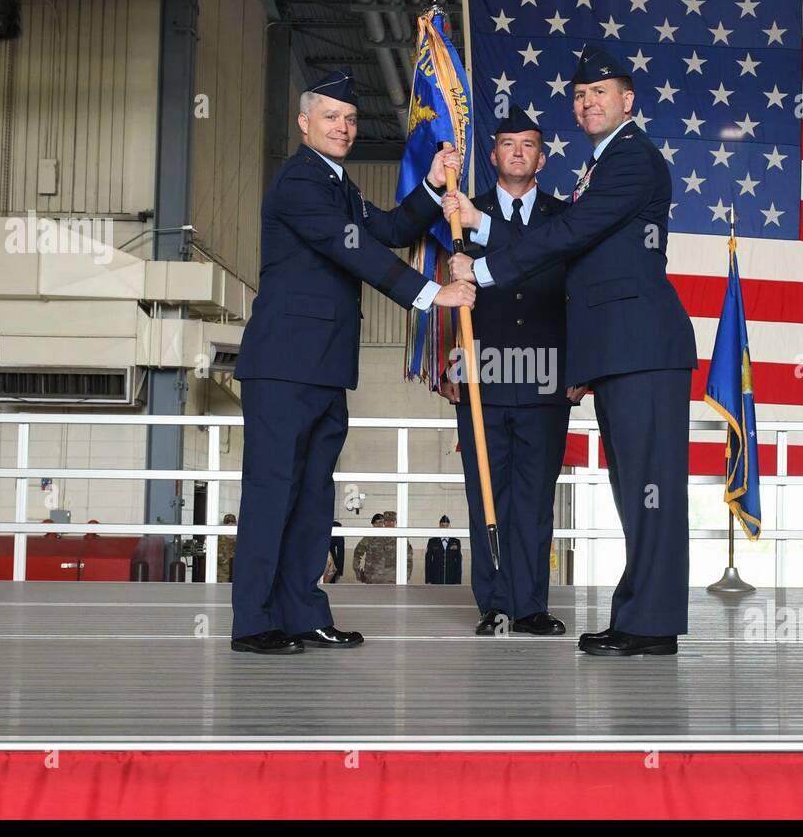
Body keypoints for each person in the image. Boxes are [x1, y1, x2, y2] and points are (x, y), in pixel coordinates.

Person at [444, 47, 697, 657]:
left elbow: (570, 235)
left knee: (651, 490)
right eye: (580, 96)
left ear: (628, 101)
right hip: (618, 350)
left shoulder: (630, 159)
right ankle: (641, 617)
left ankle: (651, 623)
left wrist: (486, 265)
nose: (588, 103)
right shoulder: (601, 164)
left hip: (642, 347)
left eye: (600, 93)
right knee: (636, 489)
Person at [230, 68, 475, 655]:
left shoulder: (337, 185)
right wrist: (427, 294)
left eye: (350, 118)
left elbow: (387, 228)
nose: (343, 127)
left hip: (325, 367)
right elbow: (354, 249)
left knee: (315, 497)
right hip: (284, 366)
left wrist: (435, 186)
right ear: (304, 123)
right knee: (273, 493)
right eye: (330, 117)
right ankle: (253, 621)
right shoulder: (298, 182)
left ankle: (303, 612)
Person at [438, 106, 577, 634]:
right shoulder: (458, 212)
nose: (517, 152)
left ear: (542, 158)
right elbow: (444, 295)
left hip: (546, 376)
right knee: (486, 494)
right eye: (507, 143)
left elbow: (569, 290)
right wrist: (446, 363)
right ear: (492, 154)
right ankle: (495, 604)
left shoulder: (563, 217)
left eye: (528, 144)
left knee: (535, 497)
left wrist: (579, 366)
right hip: (481, 374)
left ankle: (530, 606)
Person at [352, 512, 412, 584]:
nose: (389, 524)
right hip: (372, 579)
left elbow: (408, 559)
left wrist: (406, 576)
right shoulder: (371, 537)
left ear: (395, 523)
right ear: (383, 522)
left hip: (393, 580)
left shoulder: (401, 539)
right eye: (386, 521)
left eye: (392, 521)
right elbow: (357, 553)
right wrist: (357, 572)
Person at [424, 514, 463, 586]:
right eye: (442, 526)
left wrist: (458, 581)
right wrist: (428, 580)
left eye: (446, 526)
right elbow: (428, 562)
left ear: (449, 526)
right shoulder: (432, 541)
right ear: (439, 526)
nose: (444, 528)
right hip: (436, 579)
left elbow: (458, 563)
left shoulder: (456, 542)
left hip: (451, 579)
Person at [217, 512, 237, 583]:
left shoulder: (240, 541)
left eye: (232, 522)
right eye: (228, 522)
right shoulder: (218, 541)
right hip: (222, 577)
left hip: (236, 575)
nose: (230, 524)